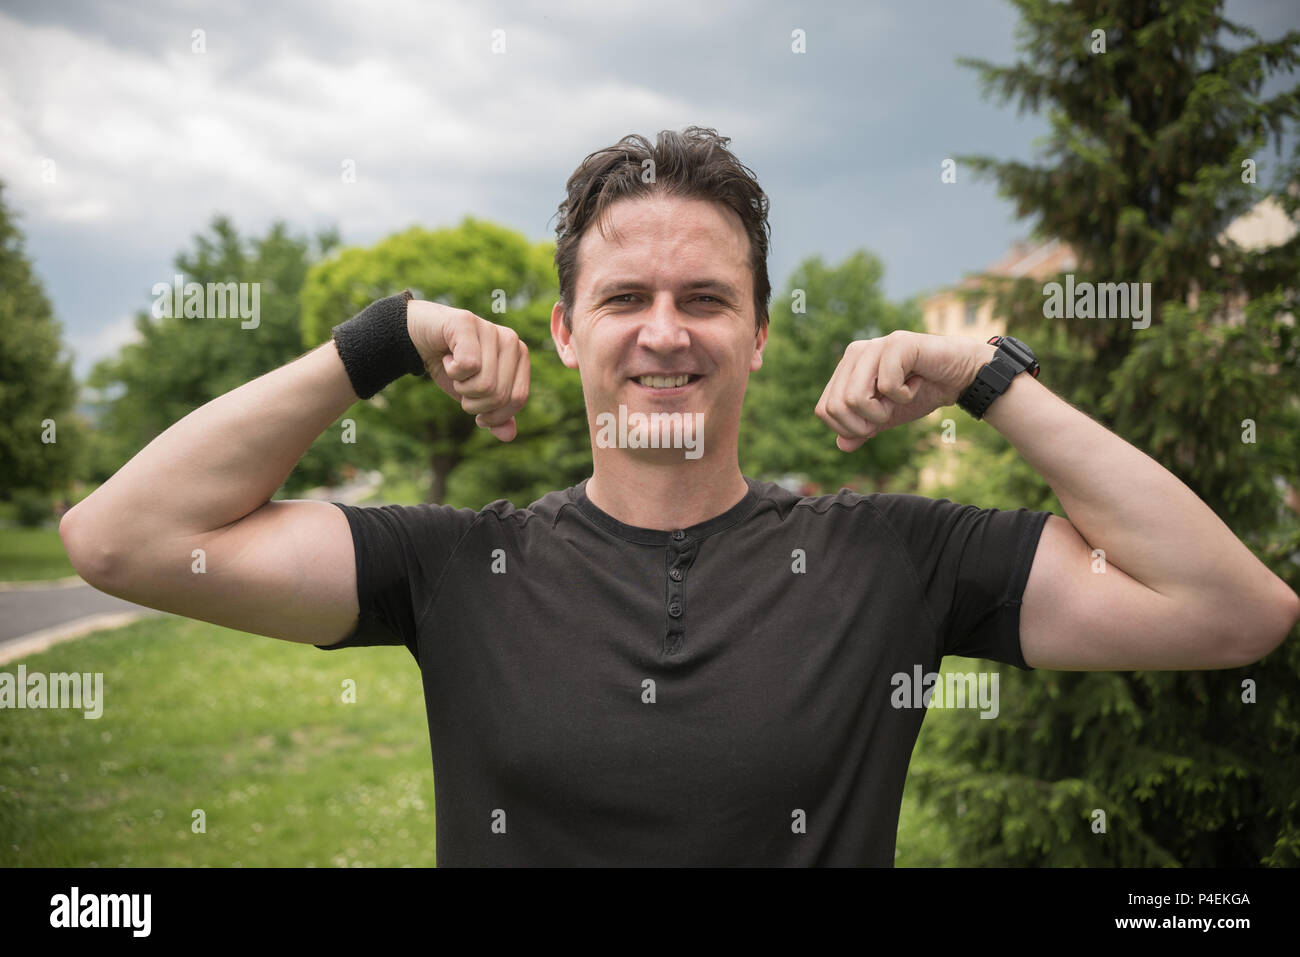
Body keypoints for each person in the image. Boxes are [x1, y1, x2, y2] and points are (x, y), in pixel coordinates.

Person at [59, 126, 1300, 866]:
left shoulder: (895, 559)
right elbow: (119, 540)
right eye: (623, 300)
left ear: (759, 335)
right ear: (562, 331)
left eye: (705, 299)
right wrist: (378, 341)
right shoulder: (449, 568)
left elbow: (1230, 612)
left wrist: (986, 375)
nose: (665, 334)